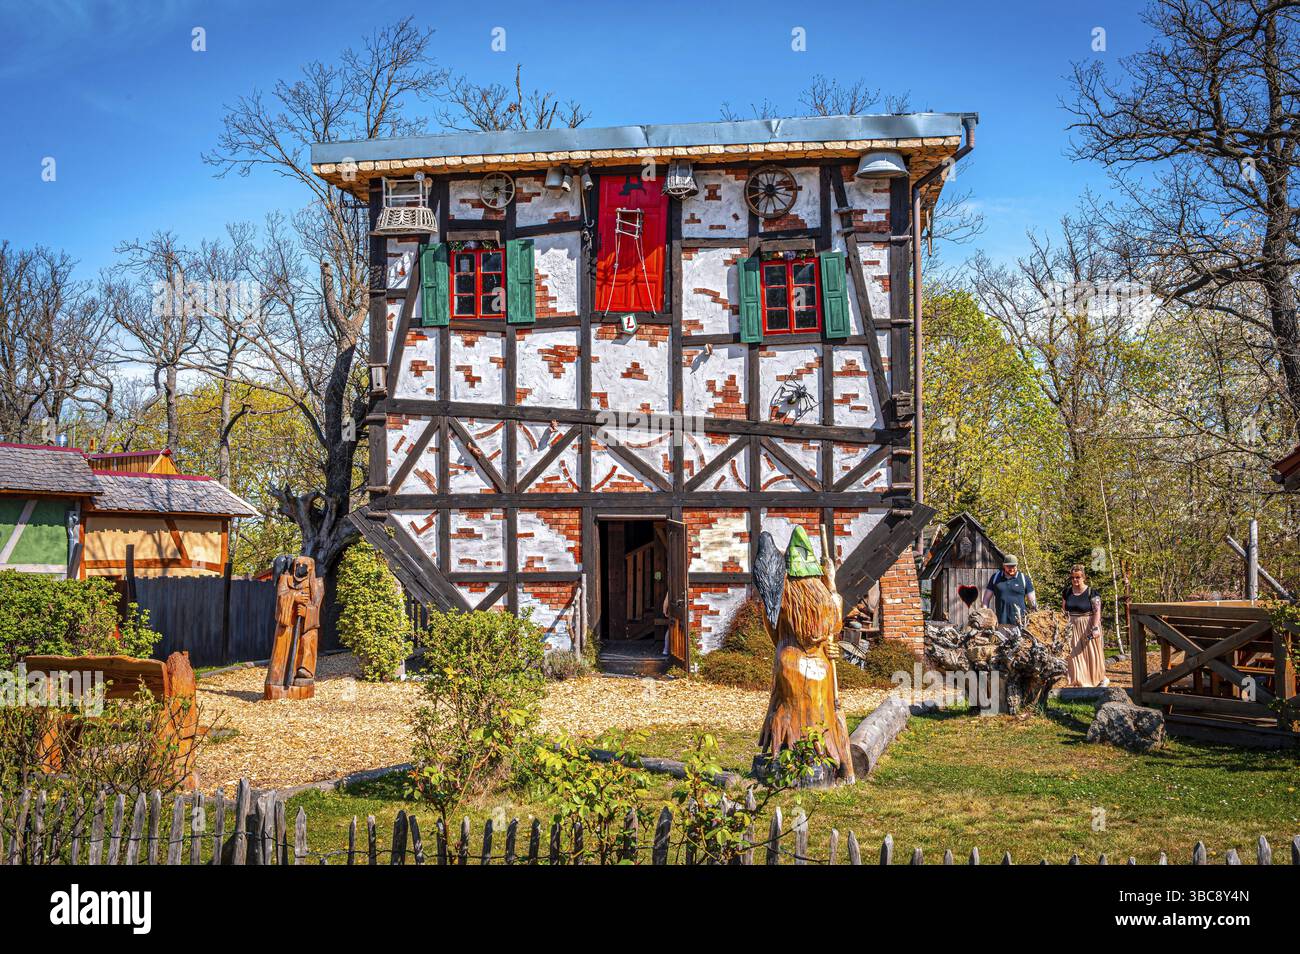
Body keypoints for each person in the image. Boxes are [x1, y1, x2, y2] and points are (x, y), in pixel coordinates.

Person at [1062, 563, 1107, 687]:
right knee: (1073, 654)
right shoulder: (1067, 592)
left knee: (1090, 654)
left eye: (1078, 577)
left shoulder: (1092, 592)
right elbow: (1064, 610)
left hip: (1088, 625)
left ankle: (1097, 679)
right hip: (1072, 626)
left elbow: (1097, 611)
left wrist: (1095, 628)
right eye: (1073, 577)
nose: (1075, 580)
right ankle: (1078, 680)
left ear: (1083, 577)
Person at [981, 553, 1037, 625]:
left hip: (1021, 623)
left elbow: (1032, 602)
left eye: (1013, 566)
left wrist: (1034, 619)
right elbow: (986, 599)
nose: (1011, 569)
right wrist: (985, 615)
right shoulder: (995, 578)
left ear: (1017, 565)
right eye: (1009, 566)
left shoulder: (1024, 579)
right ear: (1004, 566)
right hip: (1001, 622)